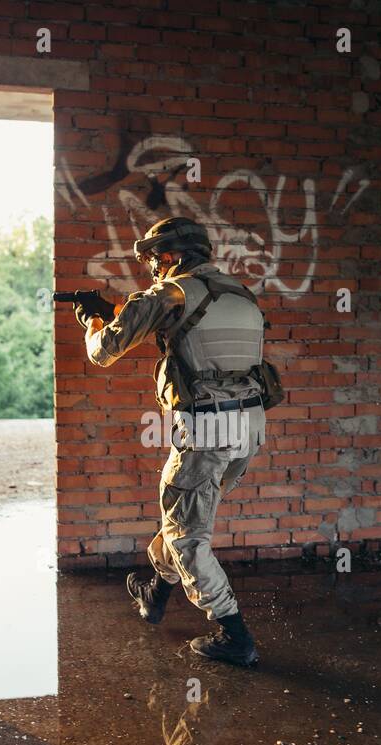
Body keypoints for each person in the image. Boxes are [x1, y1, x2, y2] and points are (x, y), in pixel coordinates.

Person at [78, 217, 267, 666]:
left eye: (154, 260)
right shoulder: (242, 294)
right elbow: (207, 350)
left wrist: (92, 319)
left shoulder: (169, 293)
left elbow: (103, 350)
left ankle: (234, 634)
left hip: (208, 431)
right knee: (187, 515)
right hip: (250, 428)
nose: (153, 270)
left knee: (187, 536)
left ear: (171, 256)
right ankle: (156, 596)